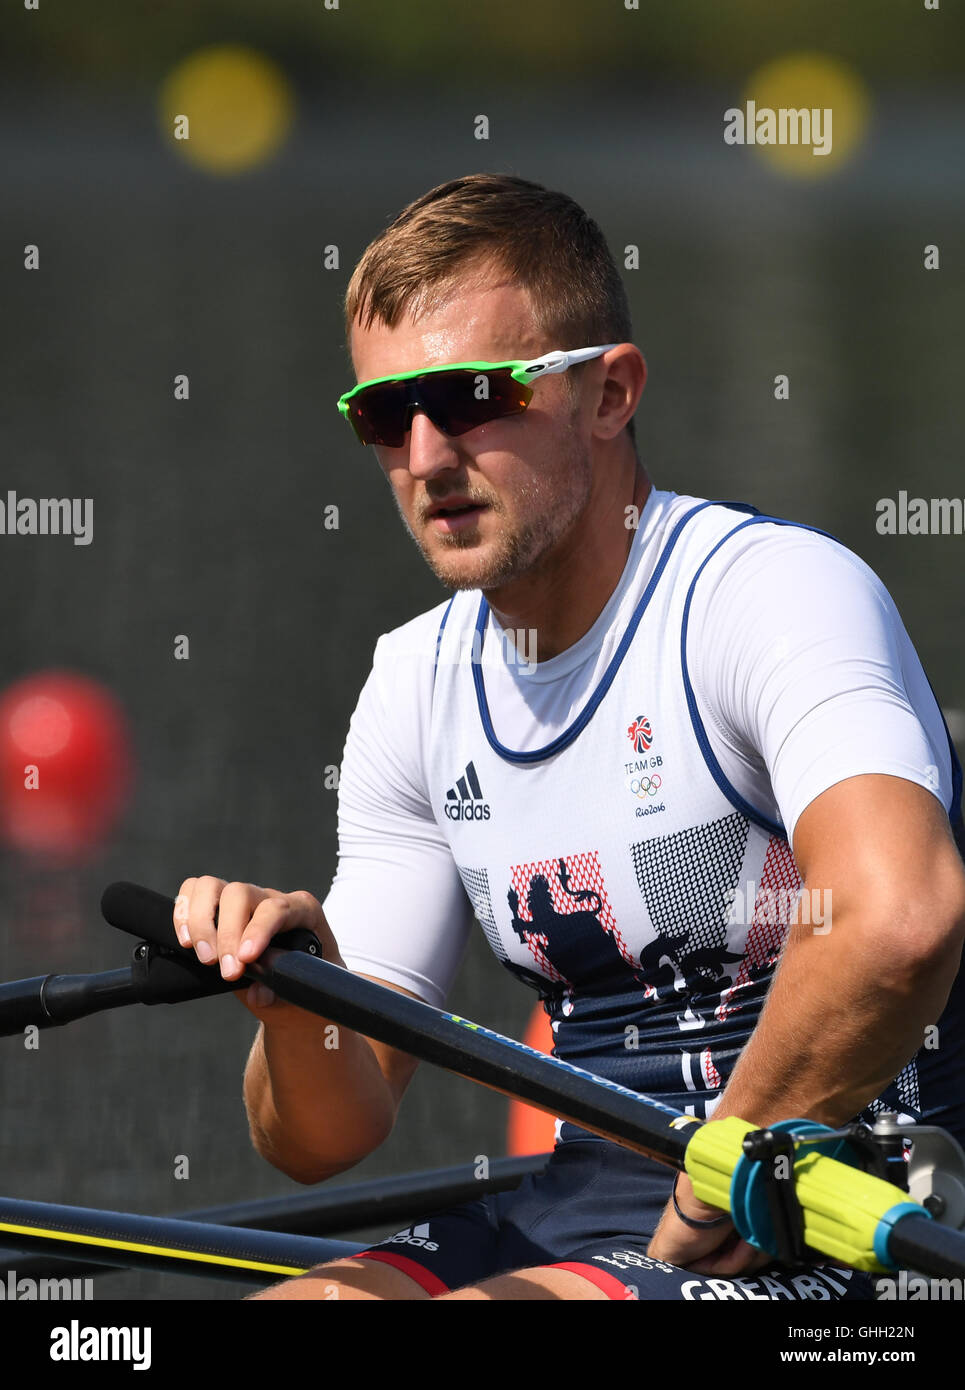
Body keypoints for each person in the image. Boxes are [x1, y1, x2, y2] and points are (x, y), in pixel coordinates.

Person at [173, 174, 965, 1301]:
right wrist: (300, 992)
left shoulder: (768, 596)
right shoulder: (415, 682)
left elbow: (897, 918)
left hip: (844, 1208)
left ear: (609, 393)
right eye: (384, 415)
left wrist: (712, 1178)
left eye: (472, 396)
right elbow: (319, 1138)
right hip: (590, 1208)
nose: (427, 455)